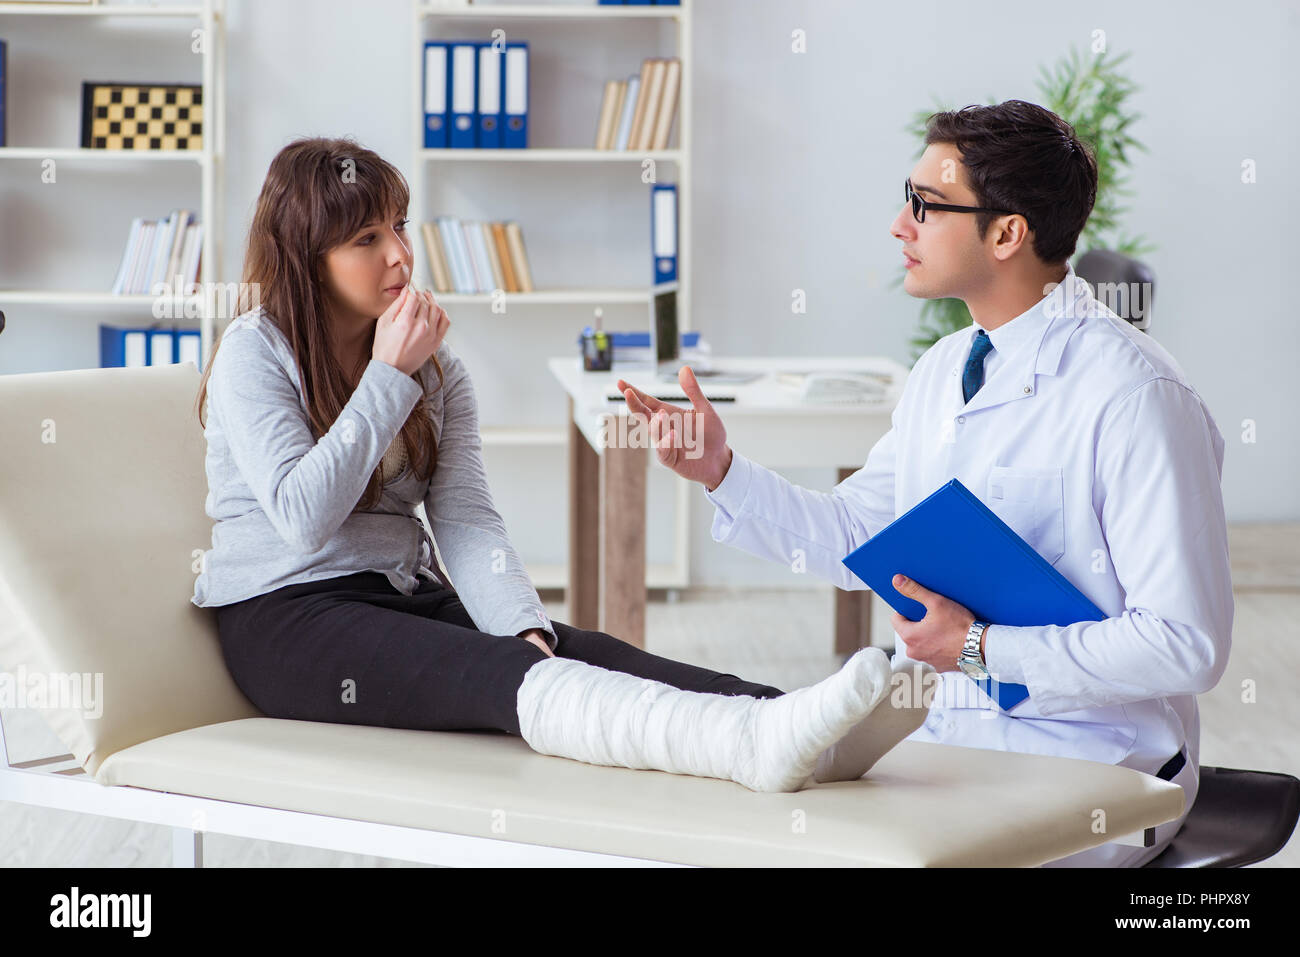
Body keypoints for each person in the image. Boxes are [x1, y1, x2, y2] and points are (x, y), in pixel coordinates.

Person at [190, 135, 934, 797]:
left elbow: (466, 519)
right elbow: (300, 516)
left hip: (399, 595)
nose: (400, 255)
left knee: (578, 648)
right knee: (505, 680)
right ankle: (748, 746)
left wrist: (521, 624)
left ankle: (792, 719)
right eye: (365, 238)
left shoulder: (435, 368)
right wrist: (387, 377)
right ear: (307, 259)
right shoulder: (255, 351)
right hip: (285, 615)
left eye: (399, 227)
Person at [619, 100, 1233, 864]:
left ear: (1008, 233)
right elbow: (856, 537)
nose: (898, 225)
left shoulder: (1137, 396)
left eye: (926, 206)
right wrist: (721, 471)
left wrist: (979, 648)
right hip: (951, 737)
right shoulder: (946, 369)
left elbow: (1185, 645)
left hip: (1100, 763)